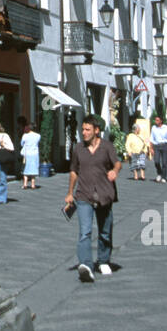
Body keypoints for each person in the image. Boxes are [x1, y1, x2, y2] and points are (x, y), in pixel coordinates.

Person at [65, 114, 121, 282]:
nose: (84, 132)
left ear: (97, 131)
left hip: (104, 193)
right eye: (82, 129)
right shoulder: (78, 149)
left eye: (87, 129)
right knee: (85, 232)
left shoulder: (107, 147)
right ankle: (86, 265)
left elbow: (117, 163)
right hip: (84, 195)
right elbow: (74, 170)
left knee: (105, 231)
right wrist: (69, 192)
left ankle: (103, 260)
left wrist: (114, 171)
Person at [151, 114, 167, 183]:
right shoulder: (153, 128)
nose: (155, 121)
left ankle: (164, 177)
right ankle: (159, 173)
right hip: (156, 146)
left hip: (164, 145)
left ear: (161, 121)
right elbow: (151, 138)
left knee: (164, 163)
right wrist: (151, 148)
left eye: (157, 120)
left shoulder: (166, 128)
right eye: (155, 120)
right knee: (156, 161)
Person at [20, 122, 40, 189]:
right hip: (34, 153)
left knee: (25, 168)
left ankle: (25, 184)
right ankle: (33, 184)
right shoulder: (38, 136)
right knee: (33, 168)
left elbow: (22, 143)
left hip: (27, 154)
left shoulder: (25, 135)